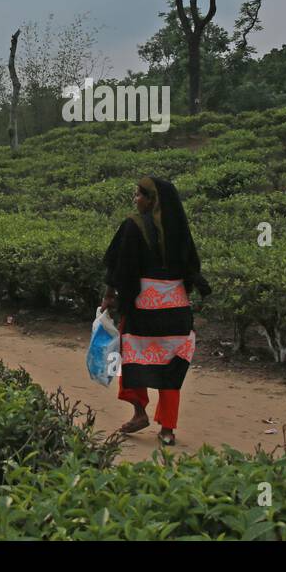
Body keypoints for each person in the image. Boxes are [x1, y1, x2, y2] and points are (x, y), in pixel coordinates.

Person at [101, 176, 209, 447]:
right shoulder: (178, 227)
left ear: (152, 200)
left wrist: (110, 295)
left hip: (144, 310)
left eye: (139, 194)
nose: (135, 199)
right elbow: (191, 265)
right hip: (176, 311)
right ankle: (168, 430)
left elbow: (122, 267)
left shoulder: (133, 226)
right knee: (171, 366)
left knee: (132, 358)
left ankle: (139, 412)